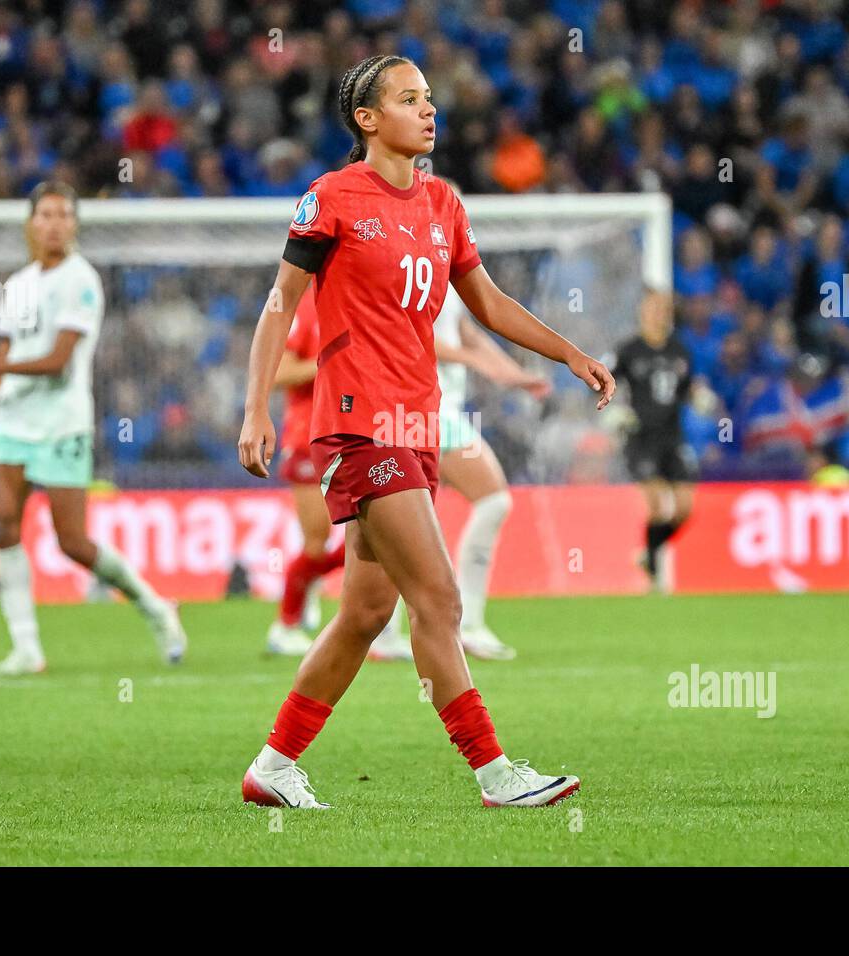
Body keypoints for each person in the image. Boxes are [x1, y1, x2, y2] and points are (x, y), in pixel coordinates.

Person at [236, 54, 614, 809]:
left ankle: (272, 767)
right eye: (409, 100)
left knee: (364, 612)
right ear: (368, 119)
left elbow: (489, 304)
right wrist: (254, 409)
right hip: (359, 426)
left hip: (417, 422)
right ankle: (495, 773)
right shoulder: (332, 197)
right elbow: (280, 304)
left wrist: (568, 352)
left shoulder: (443, 202)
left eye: (430, 98)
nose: (429, 110)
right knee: (438, 599)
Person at [0, 181, 187, 675]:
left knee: (72, 542)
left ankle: (155, 607)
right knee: (5, 524)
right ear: (31, 223)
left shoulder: (81, 281)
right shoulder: (18, 285)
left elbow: (56, 363)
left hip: (61, 424)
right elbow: (4, 362)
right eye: (46, 215)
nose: (55, 224)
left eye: (64, 215)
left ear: (75, 224)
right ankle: (26, 648)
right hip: (11, 422)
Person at [368, 281, 553, 662]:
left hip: (440, 407)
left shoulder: (447, 273)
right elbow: (406, 334)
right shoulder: (412, 268)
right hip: (420, 406)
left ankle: (385, 632)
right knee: (491, 500)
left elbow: (467, 333)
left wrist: (511, 373)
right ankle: (465, 625)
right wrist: (472, 361)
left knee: (405, 519)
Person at [265, 285, 345, 656]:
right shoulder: (305, 304)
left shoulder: (357, 297)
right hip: (309, 438)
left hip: (355, 435)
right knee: (317, 541)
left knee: (372, 538)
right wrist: (334, 361)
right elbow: (279, 372)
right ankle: (286, 626)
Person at [606, 290, 697, 591]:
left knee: (684, 508)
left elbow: (687, 388)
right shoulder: (628, 350)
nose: (658, 314)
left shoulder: (679, 351)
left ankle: (649, 553)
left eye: (663, 309)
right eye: (653, 308)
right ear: (642, 312)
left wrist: (700, 397)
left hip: (673, 436)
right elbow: (600, 381)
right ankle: (654, 575)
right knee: (658, 506)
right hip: (641, 437)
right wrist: (614, 411)